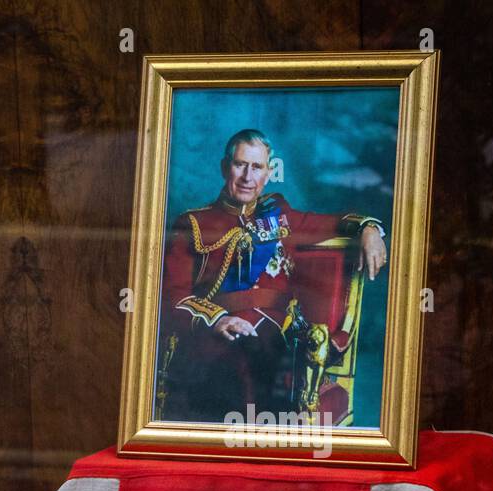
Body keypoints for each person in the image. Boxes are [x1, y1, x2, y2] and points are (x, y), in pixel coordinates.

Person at [156, 128, 387, 423]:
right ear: (225, 167)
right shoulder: (193, 223)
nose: (247, 177)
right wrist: (218, 319)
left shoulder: (279, 213)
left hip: (276, 332)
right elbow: (173, 297)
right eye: (240, 165)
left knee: (260, 347)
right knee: (232, 358)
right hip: (217, 332)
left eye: (257, 167)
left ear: (268, 173)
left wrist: (368, 228)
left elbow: (331, 223)